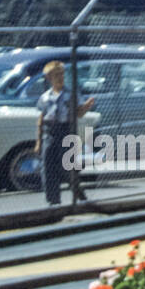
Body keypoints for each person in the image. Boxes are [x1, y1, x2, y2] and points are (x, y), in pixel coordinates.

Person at [33, 61, 95, 206]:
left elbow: (78, 113)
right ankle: (53, 201)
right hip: (50, 133)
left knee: (66, 167)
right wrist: (39, 142)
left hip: (65, 132)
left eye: (62, 74)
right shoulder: (45, 97)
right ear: (49, 78)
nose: (60, 78)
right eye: (56, 75)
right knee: (48, 168)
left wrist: (85, 107)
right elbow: (41, 119)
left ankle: (78, 193)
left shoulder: (70, 94)